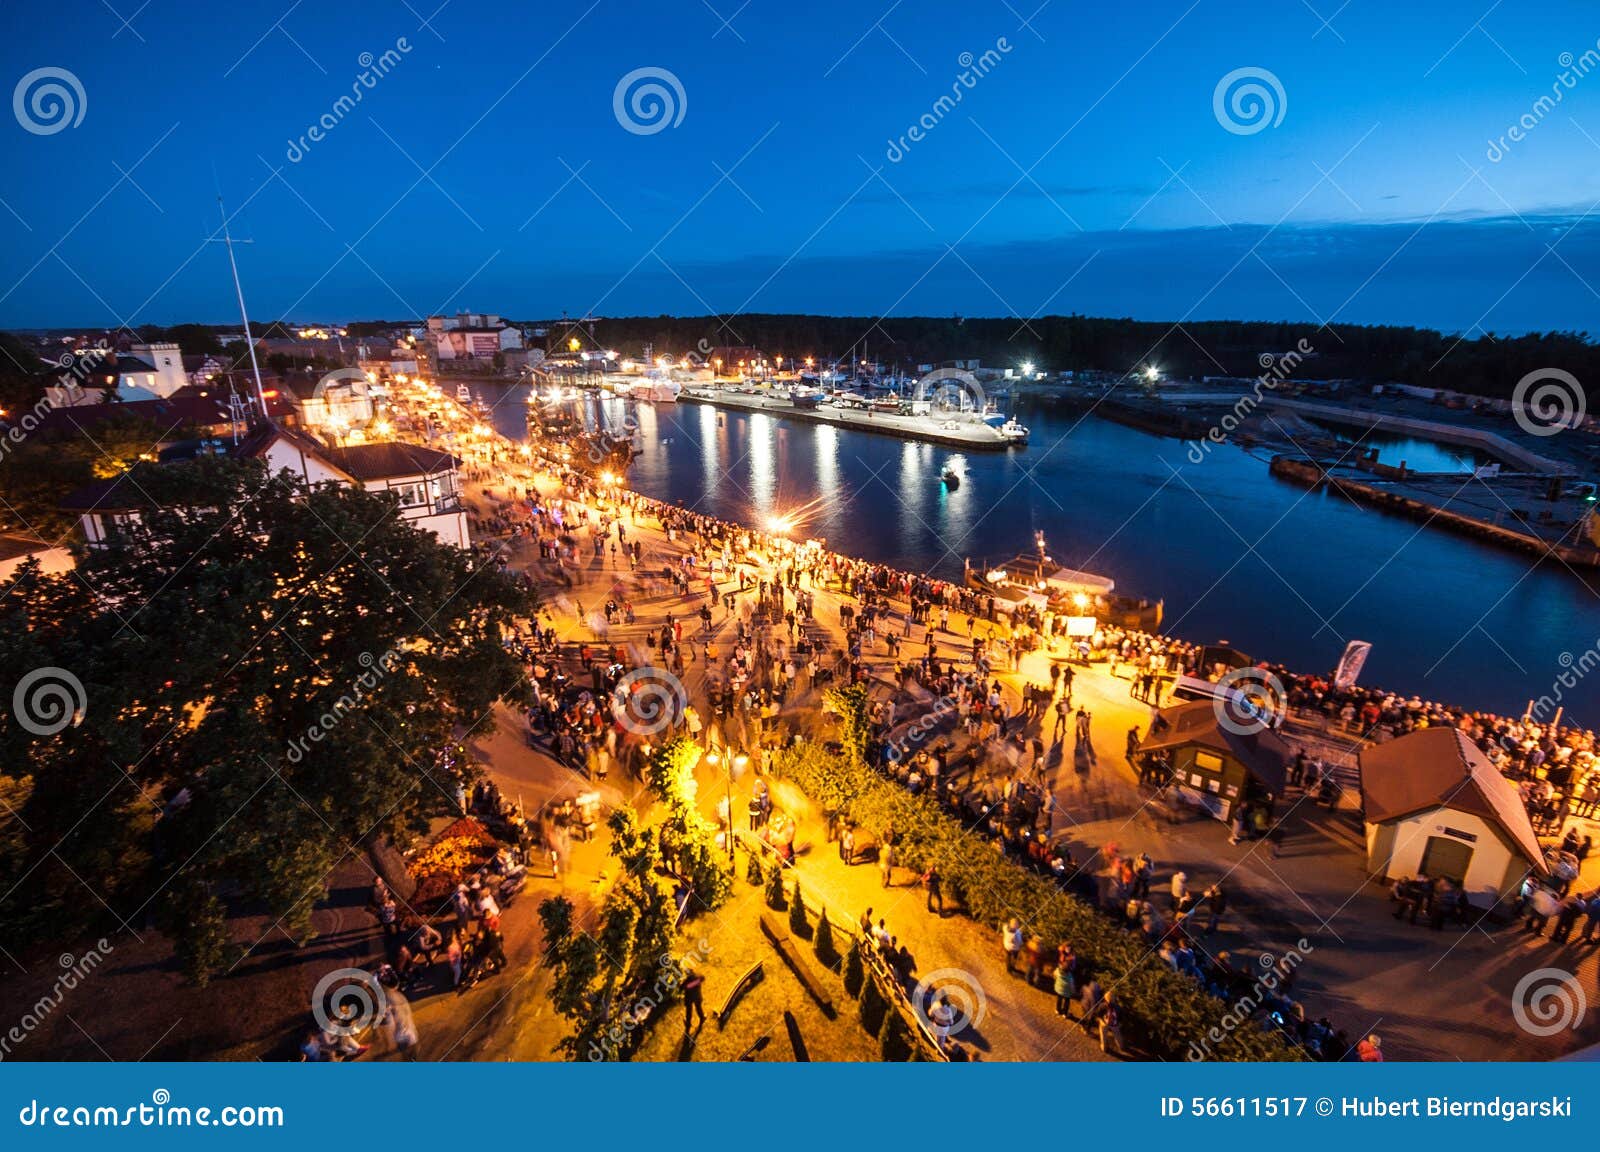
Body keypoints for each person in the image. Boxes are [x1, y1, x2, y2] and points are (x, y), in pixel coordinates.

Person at [682, 964, 706, 1032]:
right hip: (697, 996)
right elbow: (703, 978)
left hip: (689, 998)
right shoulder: (697, 977)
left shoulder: (687, 981)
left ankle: (688, 1023)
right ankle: (702, 1018)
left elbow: (682, 987)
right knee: (698, 1008)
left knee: (689, 1011)